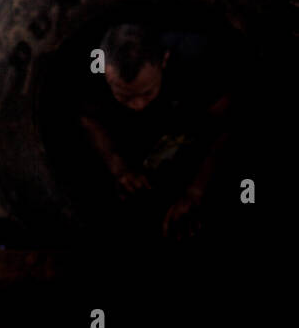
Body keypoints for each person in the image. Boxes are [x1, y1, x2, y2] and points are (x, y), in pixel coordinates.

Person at [79, 24, 237, 242]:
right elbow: (88, 118)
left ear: (164, 60)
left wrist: (196, 191)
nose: (138, 105)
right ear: (104, 69)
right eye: (124, 96)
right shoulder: (90, 68)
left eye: (146, 93)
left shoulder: (198, 61)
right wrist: (119, 168)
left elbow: (225, 125)